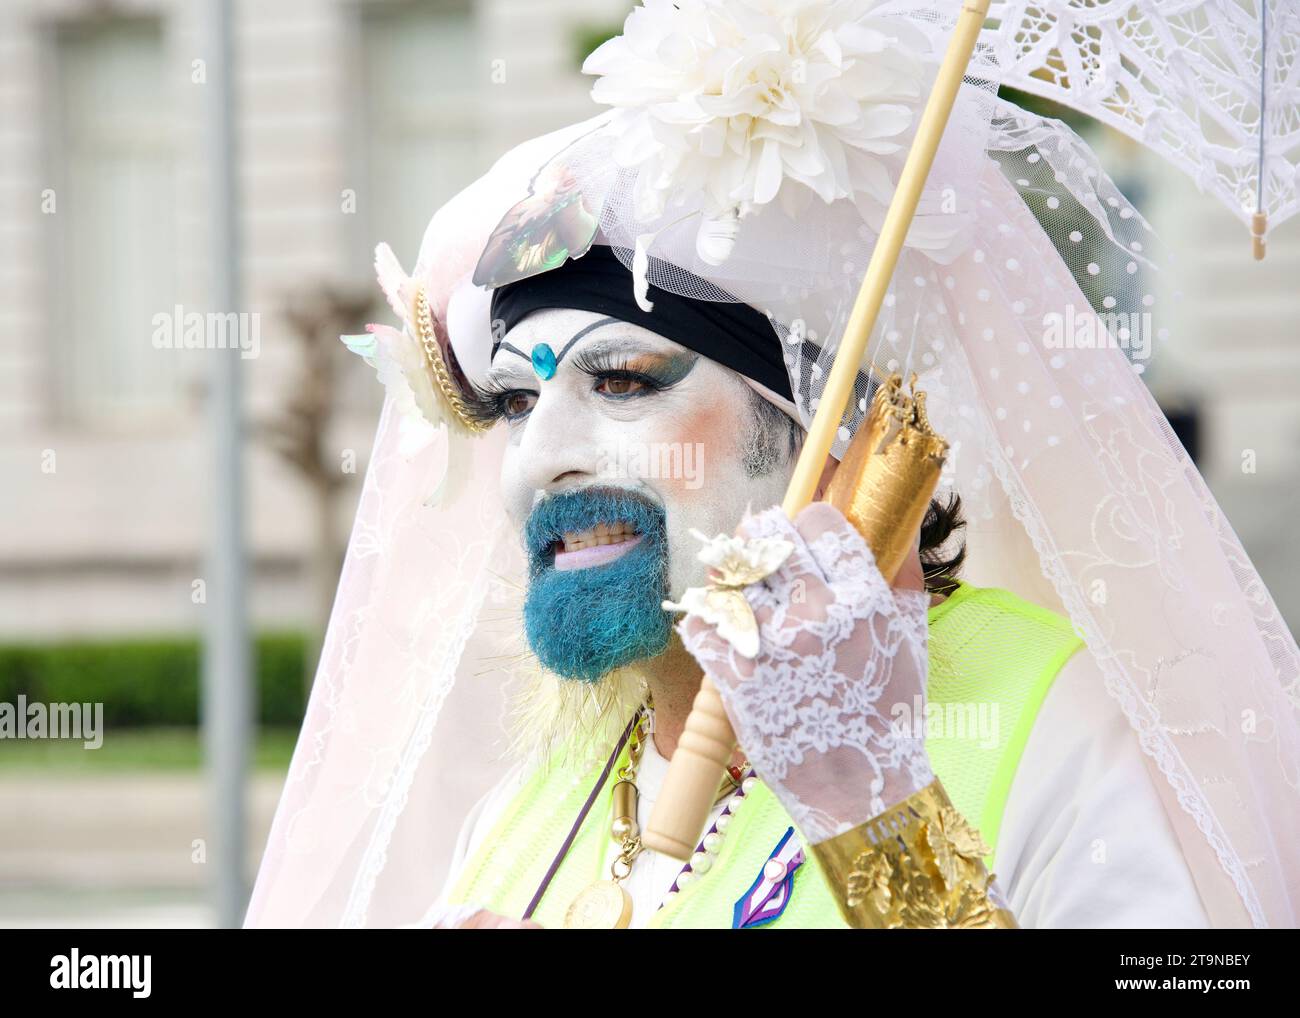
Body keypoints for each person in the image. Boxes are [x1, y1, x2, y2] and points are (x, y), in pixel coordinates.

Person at [246, 0, 1300, 929]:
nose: (542, 462)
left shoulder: (1049, 722)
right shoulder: (533, 799)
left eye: (621, 382)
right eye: (518, 402)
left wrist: (877, 814)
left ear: (821, 429)